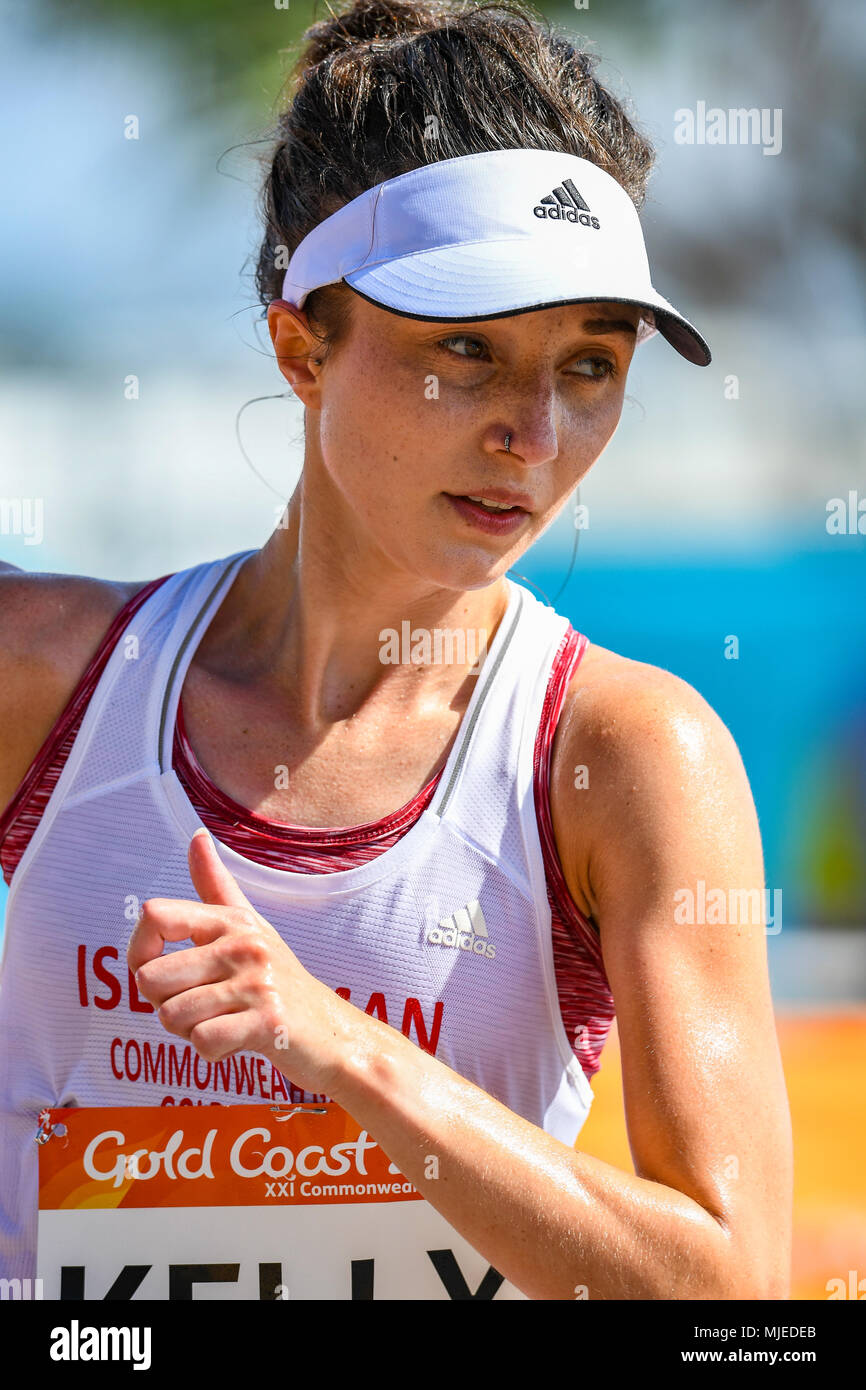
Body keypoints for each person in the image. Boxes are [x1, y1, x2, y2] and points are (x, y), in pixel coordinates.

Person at [0, 0, 792, 1299]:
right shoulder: (48, 676)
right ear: (302, 343)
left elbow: (728, 1290)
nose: (532, 435)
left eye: (588, 364)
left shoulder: (627, 757)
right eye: (465, 350)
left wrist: (341, 1047)